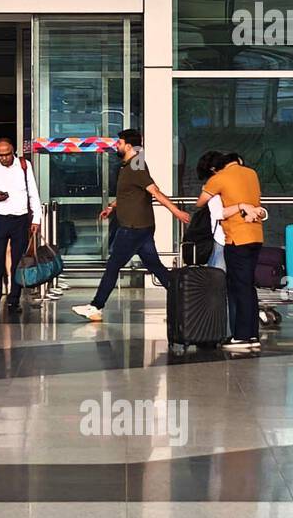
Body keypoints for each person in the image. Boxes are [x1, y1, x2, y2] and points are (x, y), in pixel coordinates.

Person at [72, 129, 189, 322]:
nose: (116, 146)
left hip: (132, 228)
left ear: (128, 146)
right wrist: (112, 207)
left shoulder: (136, 166)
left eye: (119, 143)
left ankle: (96, 306)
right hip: (140, 227)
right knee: (156, 267)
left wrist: (176, 212)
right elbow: (129, 194)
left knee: (113, 266)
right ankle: (185, 301)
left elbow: (155, 191)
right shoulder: (129, 165)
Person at [196, 152, 264, 351]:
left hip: (236, 238)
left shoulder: (219, 178)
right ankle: (252, 334)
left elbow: (201, 202)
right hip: (256, 235)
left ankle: (242, 336)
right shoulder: (251, 174)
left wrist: (233, 204)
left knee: (238, 288)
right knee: (249, 287)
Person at [0, 138, 41, 313]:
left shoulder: (24, 165)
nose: (4, 158)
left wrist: (36, 218)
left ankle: (14, 300)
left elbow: (33, 193)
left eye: (7, 154)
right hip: (0, 217)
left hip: (20, 219)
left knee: (17, 264)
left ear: (13, 152)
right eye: (1, 155)